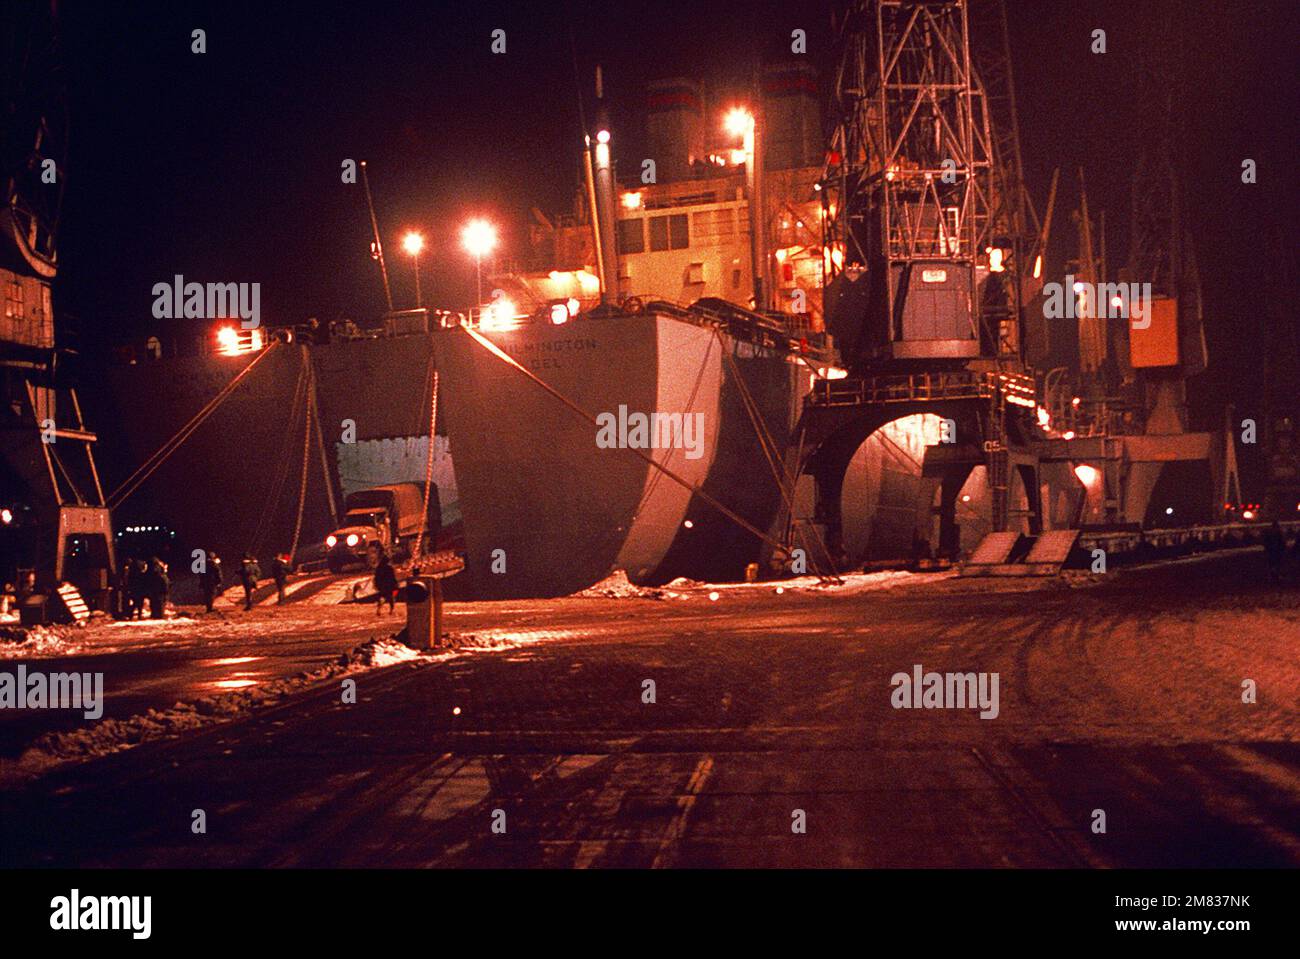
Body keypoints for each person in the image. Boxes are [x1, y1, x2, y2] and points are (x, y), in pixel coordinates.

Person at [373, 551, 398, 616]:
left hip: (381, 585)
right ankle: (391, 610)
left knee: (382, 597)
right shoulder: (389, 568)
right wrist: (395, 583)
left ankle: (379, 609)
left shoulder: (378, 568)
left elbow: (376, 577)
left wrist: (376, 584)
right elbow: (392, 577)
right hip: (389, 585)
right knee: (391, 598)